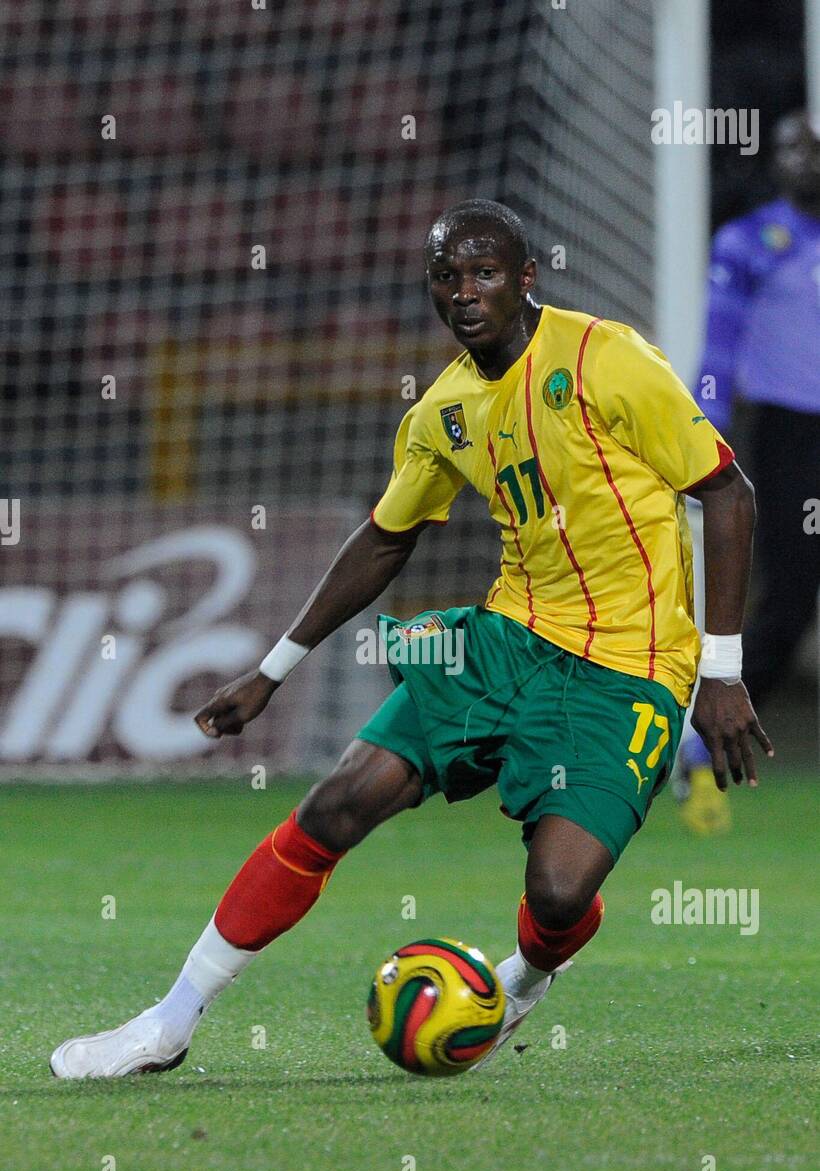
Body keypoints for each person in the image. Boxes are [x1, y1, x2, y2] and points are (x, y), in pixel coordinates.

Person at [50, 199, 772, 1080]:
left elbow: (728, 494)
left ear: (526, 279)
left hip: (630, 667)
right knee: (337, 803)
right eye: (446, 276)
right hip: (504, 640)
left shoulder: (605, 359)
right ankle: (167, 1022)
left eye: (484, 273)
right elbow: (390, 536)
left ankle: (525, 981)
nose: (464, 293)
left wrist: (722, 673)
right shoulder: (444, 412)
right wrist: (273, 670)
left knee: (556, 895)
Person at [677, 111, 819, 832]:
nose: (805, 158)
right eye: (794, 146)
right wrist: (705, 435)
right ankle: (702, 741)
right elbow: (718, 350)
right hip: (793, 432)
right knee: (792, 599)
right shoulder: (748, 242)